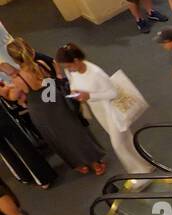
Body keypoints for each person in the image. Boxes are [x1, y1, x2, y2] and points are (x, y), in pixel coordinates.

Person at [1, 39, 106, 177]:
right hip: (55, 101)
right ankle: (94, 162)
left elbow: (12, 97)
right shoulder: (40, 64)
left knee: (58, 138)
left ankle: (79, 164)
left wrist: (6, 85)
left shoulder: (18, 79)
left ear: (13, 58)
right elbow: (49, 83)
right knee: (74, 131)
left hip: (39, 111)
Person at [55, 43, 151, 175]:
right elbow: (73, 84)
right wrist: (76, 92)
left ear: (76, 61)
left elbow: (113, 93)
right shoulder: (71, 71)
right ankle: (145, 165)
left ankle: (139, 172)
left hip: (111, 109)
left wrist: (90, 95)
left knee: (118, 144)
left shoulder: (96, 73)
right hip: (98, 110)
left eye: (68, 66)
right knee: (125, 139)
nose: (68, 69)